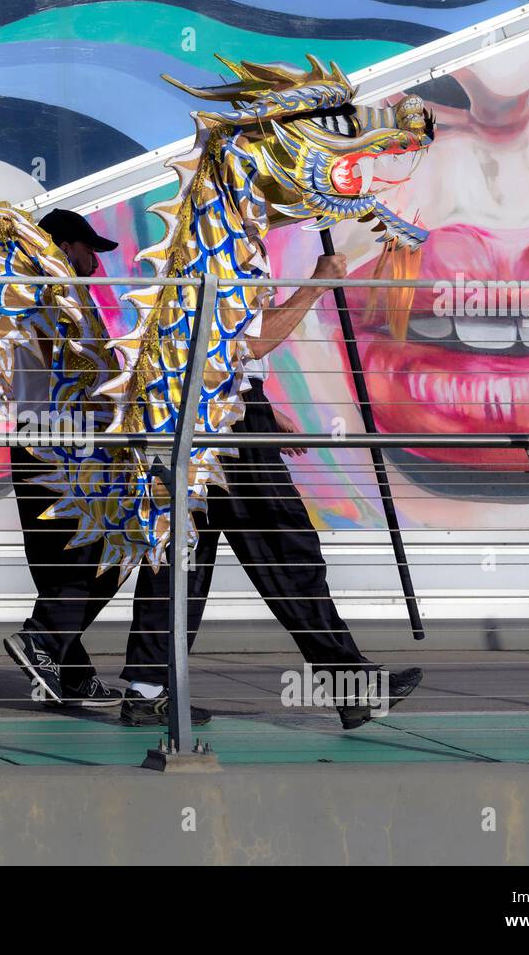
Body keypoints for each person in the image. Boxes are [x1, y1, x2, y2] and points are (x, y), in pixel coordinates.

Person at [117, 253, 424, 730]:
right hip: (225, 425)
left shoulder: (217, 241)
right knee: (285, 548)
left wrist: (259, 404)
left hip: (214, 412)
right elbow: (252, 341)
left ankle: (147, 689)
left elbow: (233, 355)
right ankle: (351, 683)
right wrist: (317, 284)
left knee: (184, 558)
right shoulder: (222, 245)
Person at [1, 209, 124, 708]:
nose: (94, 259)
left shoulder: (31, 296)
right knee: (102, 557)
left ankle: (67, 670)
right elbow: (83, 376)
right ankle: (44, 640)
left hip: (38, 440)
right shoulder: (56, 298)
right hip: (64, 445)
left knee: (63, 566)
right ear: (65, 247)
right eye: (87, 247)